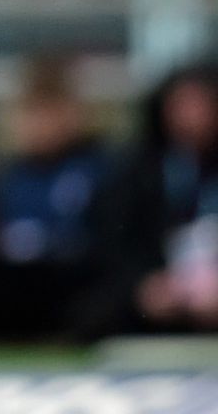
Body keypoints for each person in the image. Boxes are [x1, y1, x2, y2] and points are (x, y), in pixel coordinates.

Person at [0, 53, 110, 342]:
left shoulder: (97, 170)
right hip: (15, 277)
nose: (39, 125)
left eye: (48, 113)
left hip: (68, 277)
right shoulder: (9, 176)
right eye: (31, 114)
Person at [80, 61, 218, 338]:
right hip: (159, 293)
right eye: (181, 105)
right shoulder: (138, 173)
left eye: (201, 104)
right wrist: (145, 286)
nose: (191, 116)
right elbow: (113, 243)